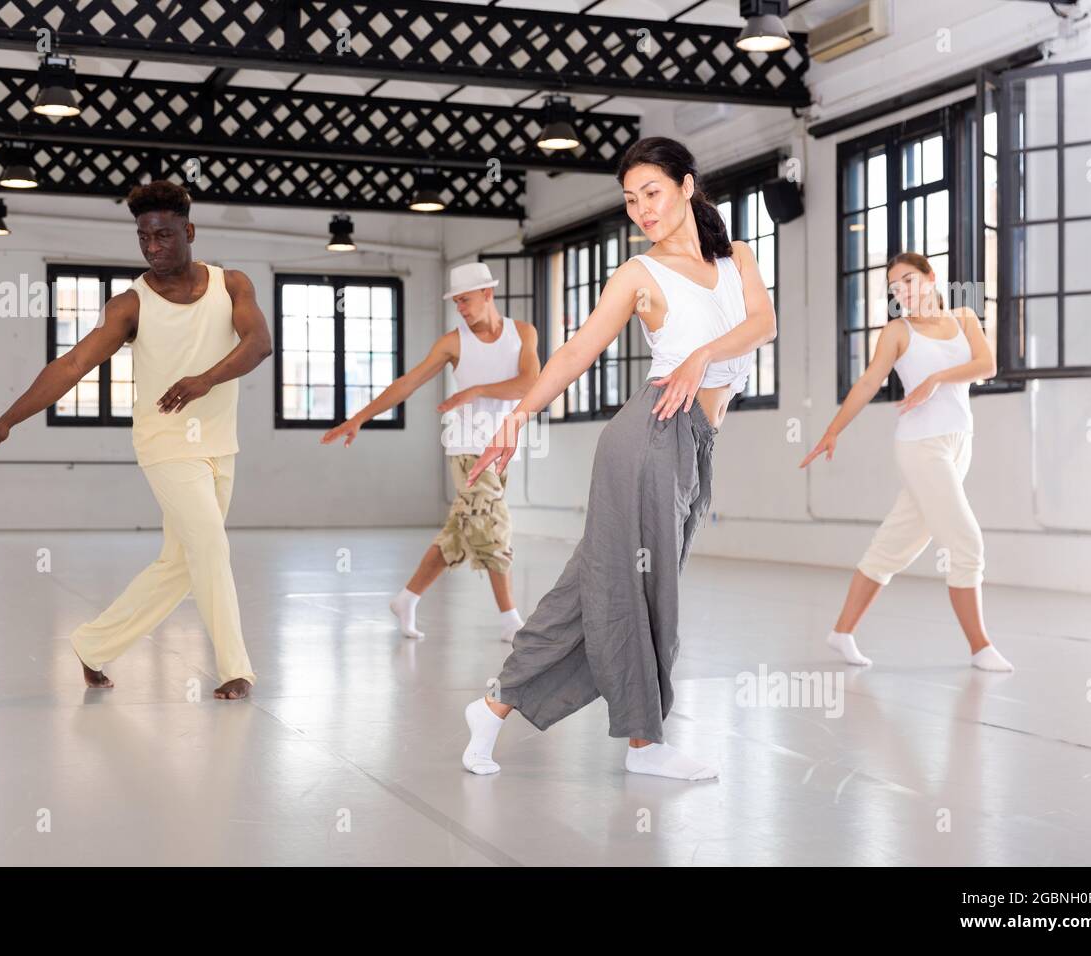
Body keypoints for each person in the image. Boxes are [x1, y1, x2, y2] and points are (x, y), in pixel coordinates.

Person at [459, 136, 777, 780]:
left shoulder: (737, 257)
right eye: (631, 200)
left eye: (652, 193)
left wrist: (699, 355)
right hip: (650, 437)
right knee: (642, 591)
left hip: (693, 441)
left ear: (688, 186)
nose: (642, 210)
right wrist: (519, 413)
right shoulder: (638, 274)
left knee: (594, 590)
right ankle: (644, 742)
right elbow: (577, 352)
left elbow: (763, 324)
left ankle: (496, 704)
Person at [0, 180, 273, 699]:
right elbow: (74, 363)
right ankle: (236, 669)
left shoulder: (231, 284)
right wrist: (8, 419)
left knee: (181, 563)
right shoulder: (130, 304)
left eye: (164, 236)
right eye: (144, 239)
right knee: (211, 548)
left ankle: (92, 644)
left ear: (188, 231)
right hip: (165, 444)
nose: (153, 248)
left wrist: (204, 380)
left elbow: (259, 343)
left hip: (220, 443)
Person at [800, 251, 1013, 672]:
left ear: (931, 277)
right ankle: (980, 647)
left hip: (958, 443)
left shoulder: (965, 318)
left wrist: (935, 379)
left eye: (910, 281)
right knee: (966, 543)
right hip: (921, 447)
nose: (903, 292)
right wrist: (833, 429)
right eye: (895, 287)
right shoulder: (898, 333)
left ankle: (841, 632)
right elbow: (866, 383)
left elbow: (986, 365)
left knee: (892, 546)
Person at [321, 262, 540, 643]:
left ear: (488, 294)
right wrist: (359, 417)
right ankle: (510, 620)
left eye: (466, 300)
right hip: (467, 449)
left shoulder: (523, 334)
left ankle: (406, 598)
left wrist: (475, 390)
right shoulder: (452, 342)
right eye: (457, 303)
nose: (462, 308)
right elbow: (407, 383)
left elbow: (530, 383)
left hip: (503, 448)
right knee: (493, 522)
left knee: (462, 530)